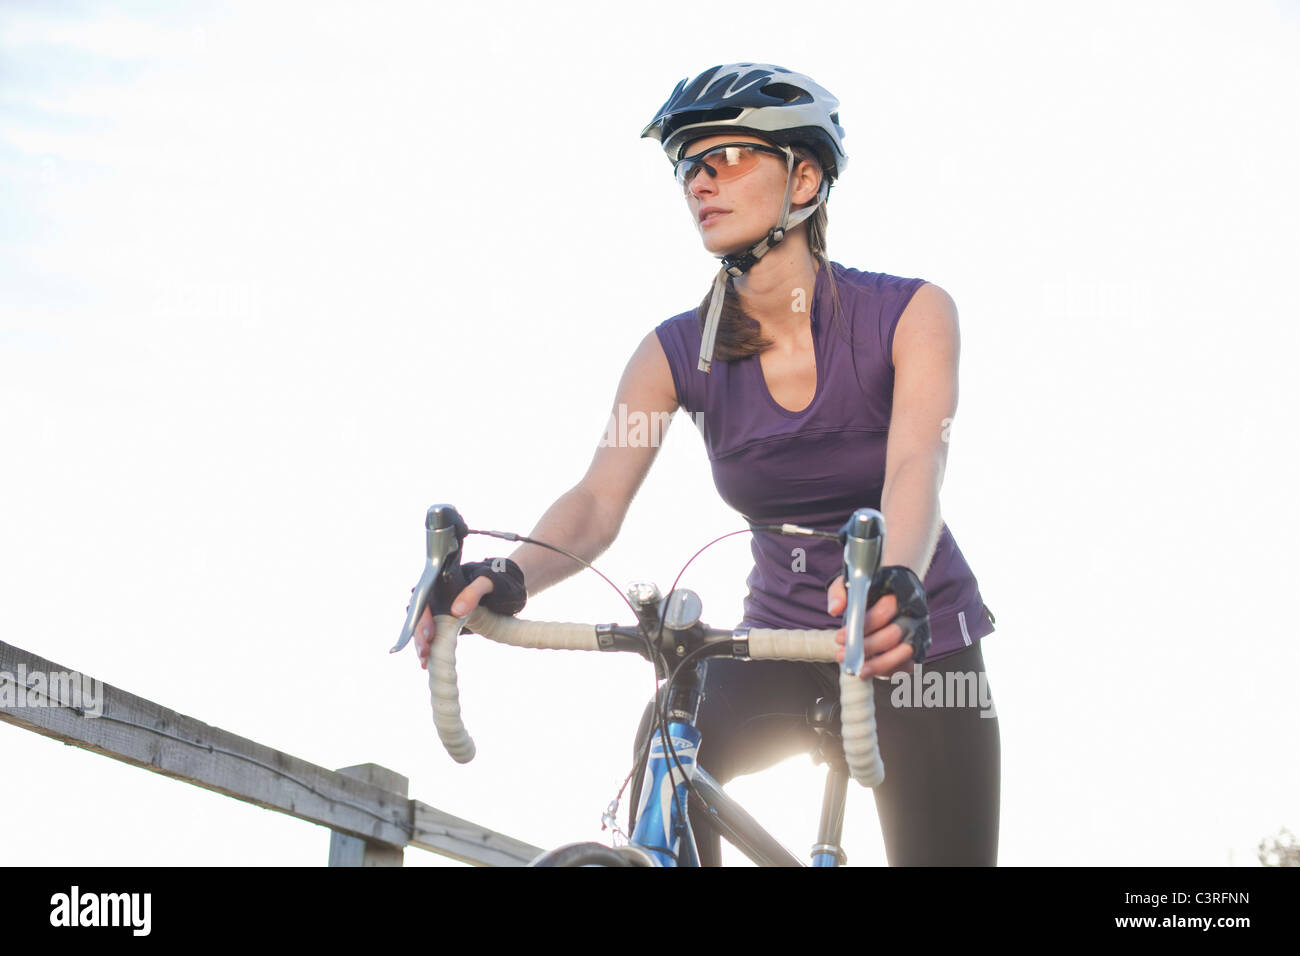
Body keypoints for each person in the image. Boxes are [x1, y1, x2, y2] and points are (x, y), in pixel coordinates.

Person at [412, 63, 999, 866]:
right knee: (668, 739)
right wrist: (510, 577)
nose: (701, 181)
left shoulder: (910, 313)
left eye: (728, 157)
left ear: (805, 177)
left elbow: (913, 470)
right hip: (778, 646)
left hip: (914, 645)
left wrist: (891, 578)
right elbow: (596, 499)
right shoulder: (673, 351)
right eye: (690, 164)